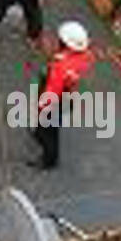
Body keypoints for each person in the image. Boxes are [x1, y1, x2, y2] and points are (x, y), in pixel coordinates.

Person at [30, 21, 94, 170]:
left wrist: (42, 107)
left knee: (48, 132)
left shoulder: (60, 67)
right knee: (52, 125)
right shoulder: (84, 57)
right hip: (68, 98)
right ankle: (41, 134)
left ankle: (49, 160)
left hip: (55, 100)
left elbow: (52, 91)